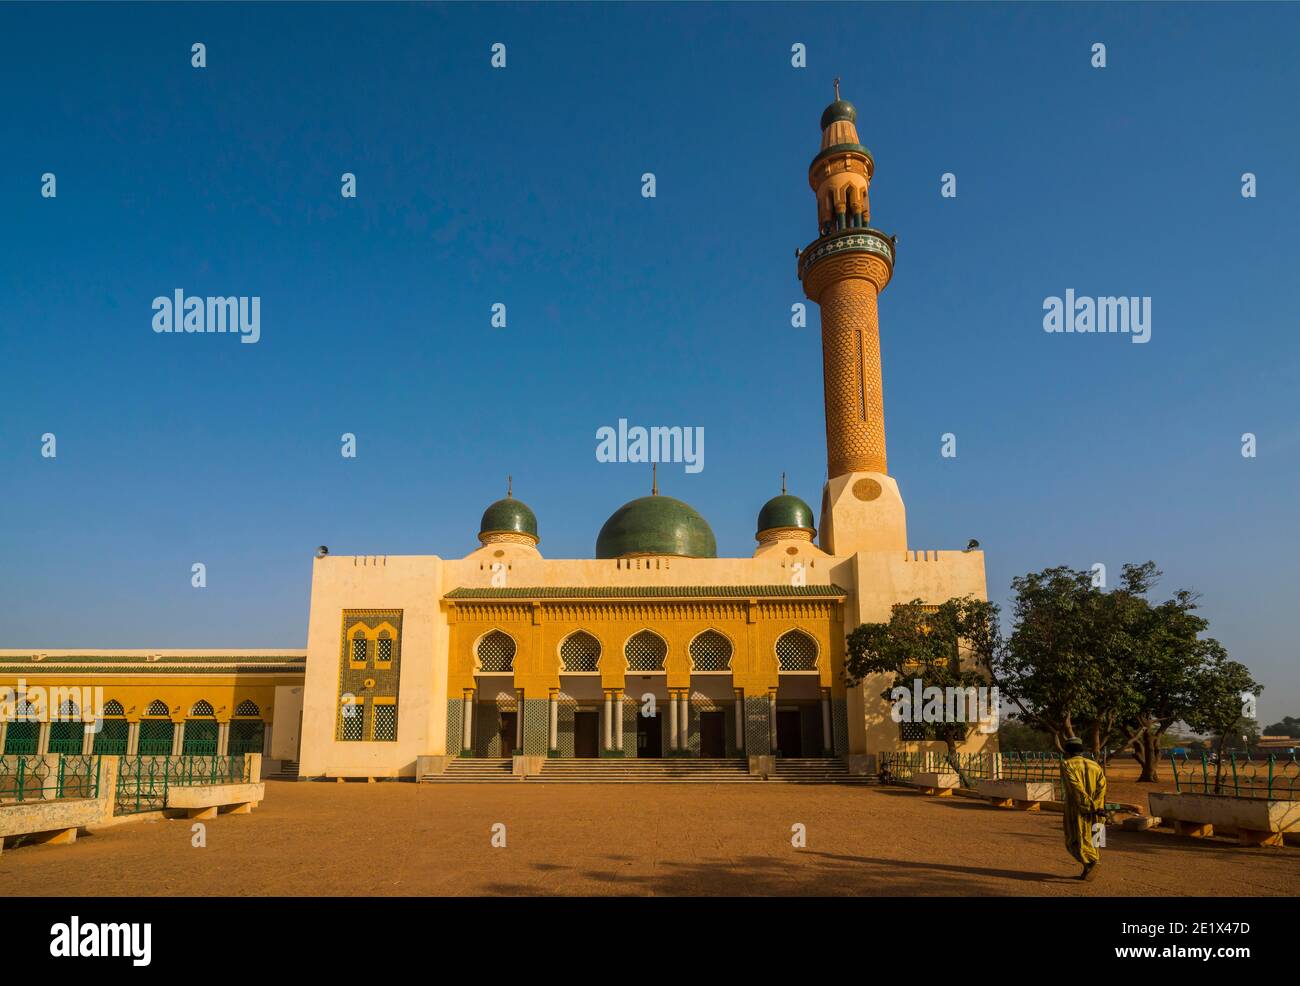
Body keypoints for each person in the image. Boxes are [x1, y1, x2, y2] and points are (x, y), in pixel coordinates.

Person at [1059, 736, 1107, 880]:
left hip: (1077, 808)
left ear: (1067, 751)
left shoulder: (1066, 764)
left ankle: (1091, 862)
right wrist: (1096, 805)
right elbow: (1102, 787)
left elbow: (1076, 787)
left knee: (1073, 839)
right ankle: (1088, 869)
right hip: (1098, 809)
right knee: (1094, 839)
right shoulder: (1095, 765)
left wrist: (1087, 805)